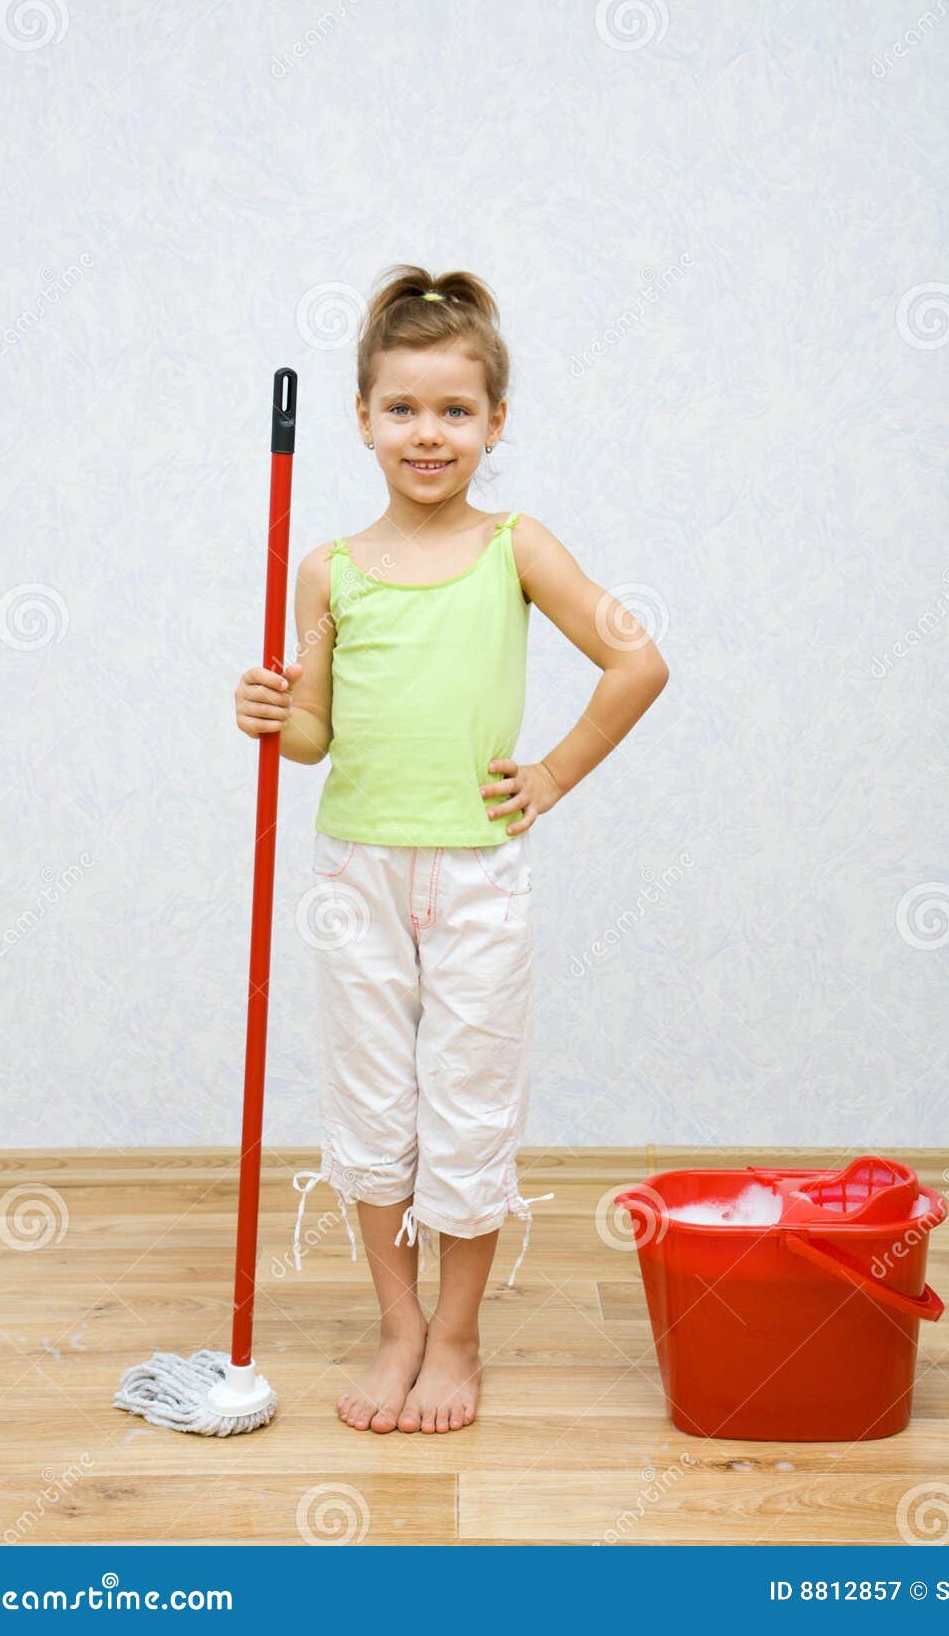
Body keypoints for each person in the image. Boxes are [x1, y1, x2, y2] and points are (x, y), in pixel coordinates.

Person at [234, 264, 668, 1435]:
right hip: (354, 875)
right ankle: (397, 1328)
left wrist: (550, 774)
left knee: (466, 1102)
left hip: (475, 874)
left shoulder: (516, 547)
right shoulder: (327, 569)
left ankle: (459, 1335)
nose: (428, 434)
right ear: (362, 417)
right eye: (403, 409)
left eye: (454, 411)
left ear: (495, 423)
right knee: (373, 1106)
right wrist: (276, 718)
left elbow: (638, 661)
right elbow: (317, 736)